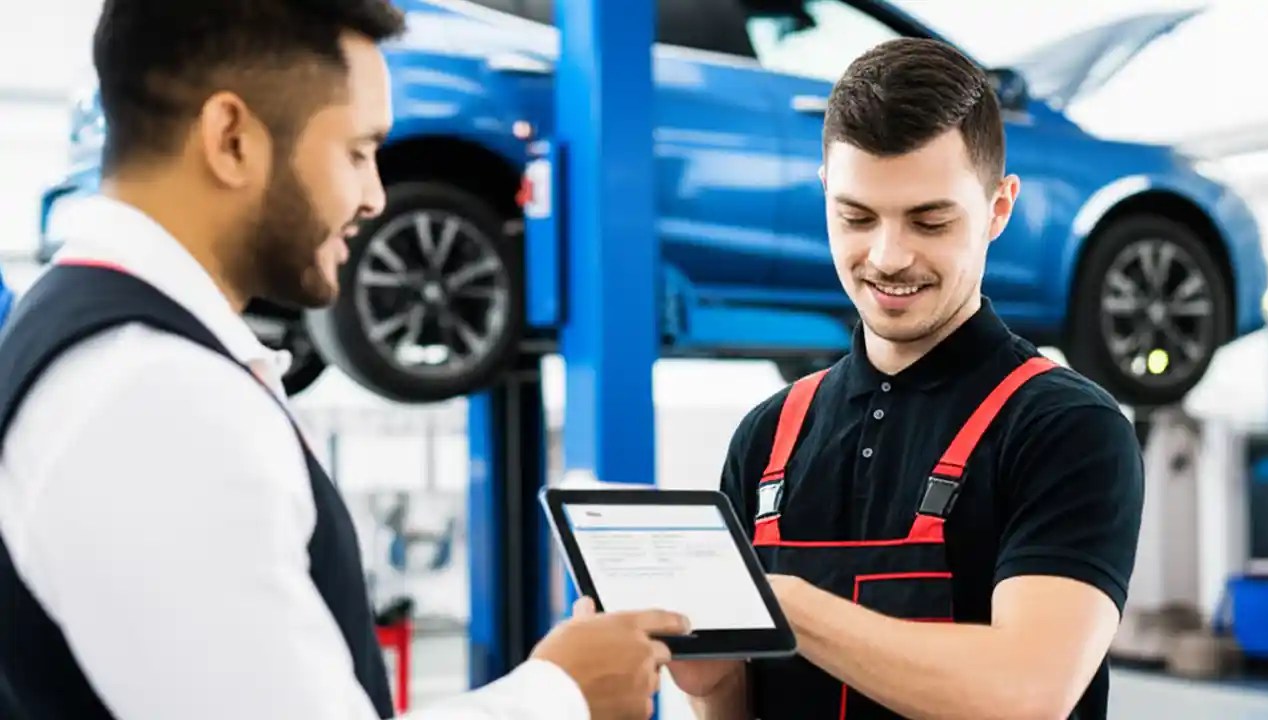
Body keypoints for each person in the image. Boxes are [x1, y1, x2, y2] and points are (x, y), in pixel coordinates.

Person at [0, 2, 686, 719]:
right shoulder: (154, 393)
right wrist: (563, 693)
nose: (373, 197)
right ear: (232, 139)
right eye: (358, 153)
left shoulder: (95, 341)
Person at [669, 38, 1144, 720]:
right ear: (825, 196)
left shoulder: (1065, 428)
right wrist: (709, 682)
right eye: (856, 217)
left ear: (998, 209)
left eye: (930, 220)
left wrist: (784, 601)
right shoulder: (767, 438)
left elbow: (1027, 693)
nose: (888, 257)